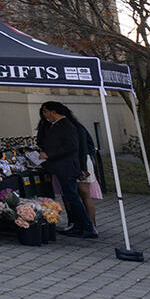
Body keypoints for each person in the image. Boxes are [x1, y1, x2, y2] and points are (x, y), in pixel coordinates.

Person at [37, 102, 99, 240]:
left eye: (46, 112)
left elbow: (71, 146)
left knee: (73, 197)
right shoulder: (57, 125)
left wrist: (49, 154)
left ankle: (88, 227)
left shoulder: (66, 125)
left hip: (67, 167)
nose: (45, 115)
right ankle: (78, 226)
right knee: (71, 197)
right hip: (61, 166)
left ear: (53, 112)